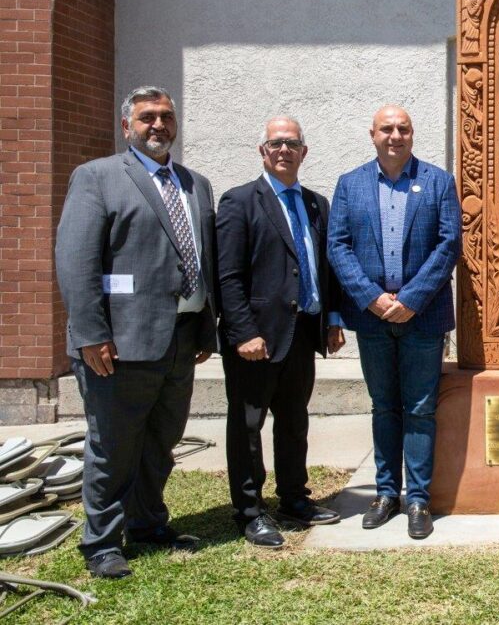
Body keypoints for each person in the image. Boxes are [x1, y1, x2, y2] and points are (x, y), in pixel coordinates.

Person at [55, 86, 218, 579]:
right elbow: (77, 260)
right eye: (147, 117)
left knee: (161, 440)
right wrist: (89, 333)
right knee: (113, 443)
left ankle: (147, 523)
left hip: (182, 338)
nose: (158, 125)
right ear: (127, 126)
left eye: (167, 116)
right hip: (117, 344)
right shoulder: (98, 177)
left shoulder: (196, 183)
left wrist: (205, 326)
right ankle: (102, 542)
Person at [327, 105, 461, 539]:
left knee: (420, 409)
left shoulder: (438, 181)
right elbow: (339, 246)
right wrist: (371, 298)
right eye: (387, 129)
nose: (395, 135)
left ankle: (418, 499)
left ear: (412, 134)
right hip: (372, 318)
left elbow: (448, 244)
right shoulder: (351, 184)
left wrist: (412, 300)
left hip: (421, 318)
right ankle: (387, 493)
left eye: (403, 128)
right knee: (384, 406)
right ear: (373, 134)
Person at [216, 116, 346, 548]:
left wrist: (330, 320)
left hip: (303, 334)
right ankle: (250, 512)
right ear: (262, 151)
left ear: (304, 152)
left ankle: (294, 499)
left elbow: (323, 270)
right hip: (257, 339)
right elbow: (228, 277)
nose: (284, 150)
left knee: (293, 422)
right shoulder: (239, 202)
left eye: (292, 143)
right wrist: (243, 332)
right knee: (248, 425)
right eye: (275, 143)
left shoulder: (315, 204)